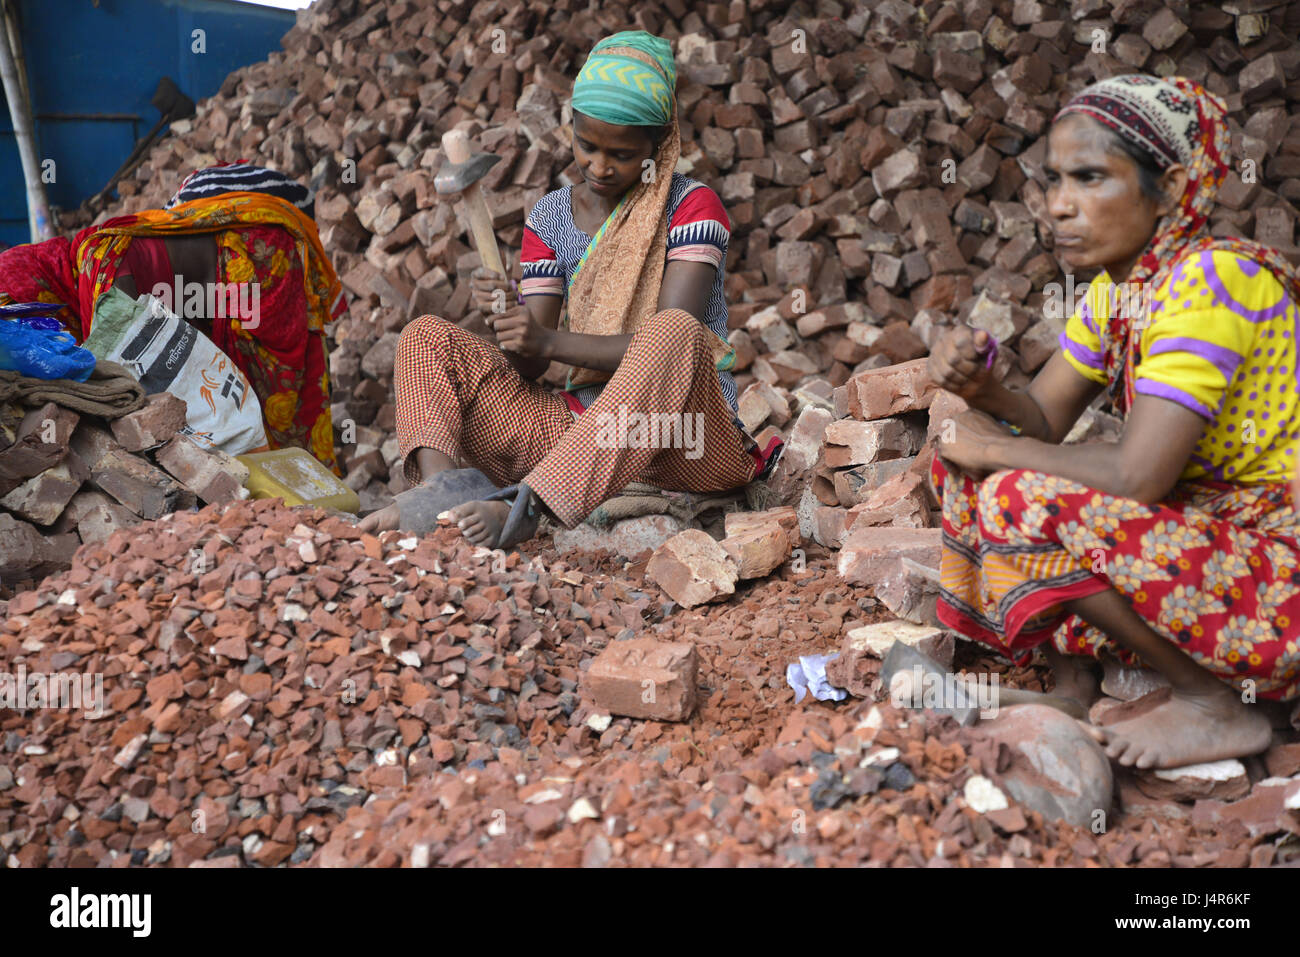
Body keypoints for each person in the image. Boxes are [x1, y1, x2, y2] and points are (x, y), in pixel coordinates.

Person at [928, 74, 1300, 770]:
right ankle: (1077, 682)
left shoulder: (1212, 281)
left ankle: (1215, 705)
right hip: (1215, 545)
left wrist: (995, 448)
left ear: (1175, 186)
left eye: (1090, 178)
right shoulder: (1121, 290)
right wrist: (987, 391)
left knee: (1016, 489)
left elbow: (1138, 473)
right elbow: (1040, 417)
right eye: (1054, 181)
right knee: (974, 453)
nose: (1057, 207)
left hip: (1281, 573)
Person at [362, 30, 780, 544]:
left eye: (622, 154)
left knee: (672, 330)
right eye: (587, 146)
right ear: (571, 130)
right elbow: (531, 363)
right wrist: (511, 323)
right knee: (426, 337)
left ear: (659, 144)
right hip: (577, 432)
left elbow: (677, 343)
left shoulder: (692, 206)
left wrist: (550, 342)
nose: (600, 167)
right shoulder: (551, 216)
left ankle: (529, 505)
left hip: (684, 442)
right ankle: (442, 493)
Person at [0, 162, 345, 472]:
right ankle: (289, 481)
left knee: (259, 390)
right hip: (231, 261)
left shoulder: (105, 270)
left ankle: (283, 483)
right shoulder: (103, 265)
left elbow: (126, 392)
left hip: (243, 259)